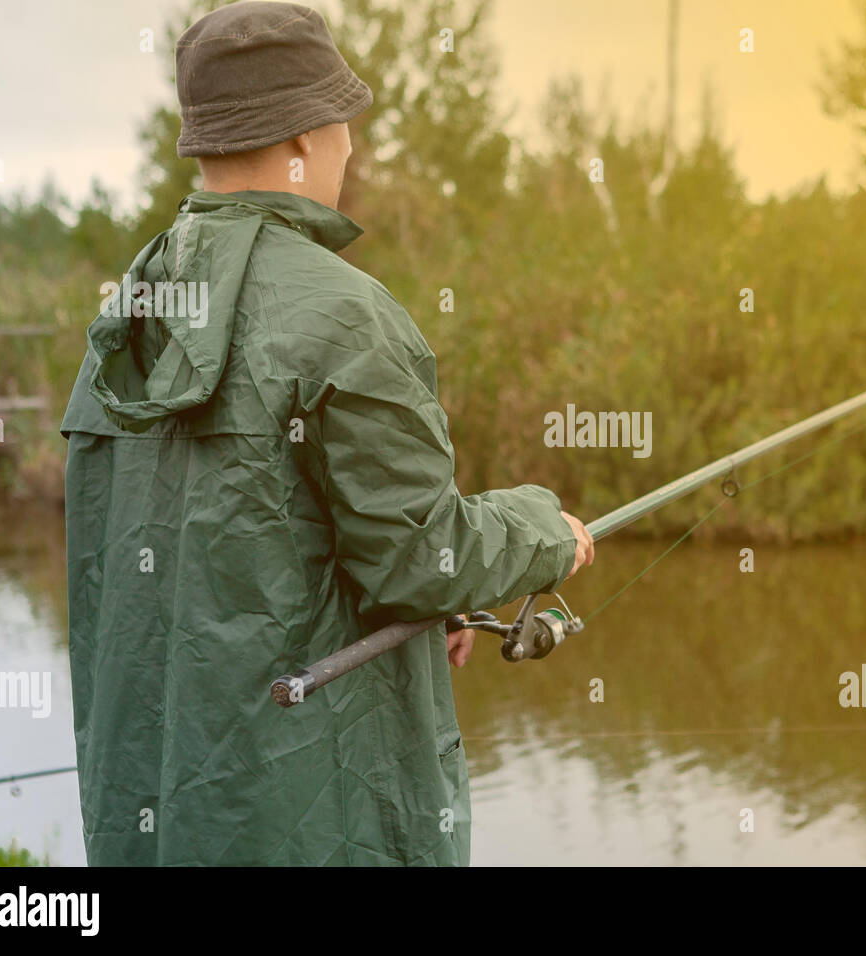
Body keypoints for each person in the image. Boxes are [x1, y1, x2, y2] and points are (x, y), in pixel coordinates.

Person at [59, 0, 594, 866]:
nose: (352, 146)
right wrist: (542, 534)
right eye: (344, 124)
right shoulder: (348, 316)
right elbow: (423, 551)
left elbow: (211, 559)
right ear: (304, 140)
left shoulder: (128, 315)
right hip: (317, 825)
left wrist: (432, 604)